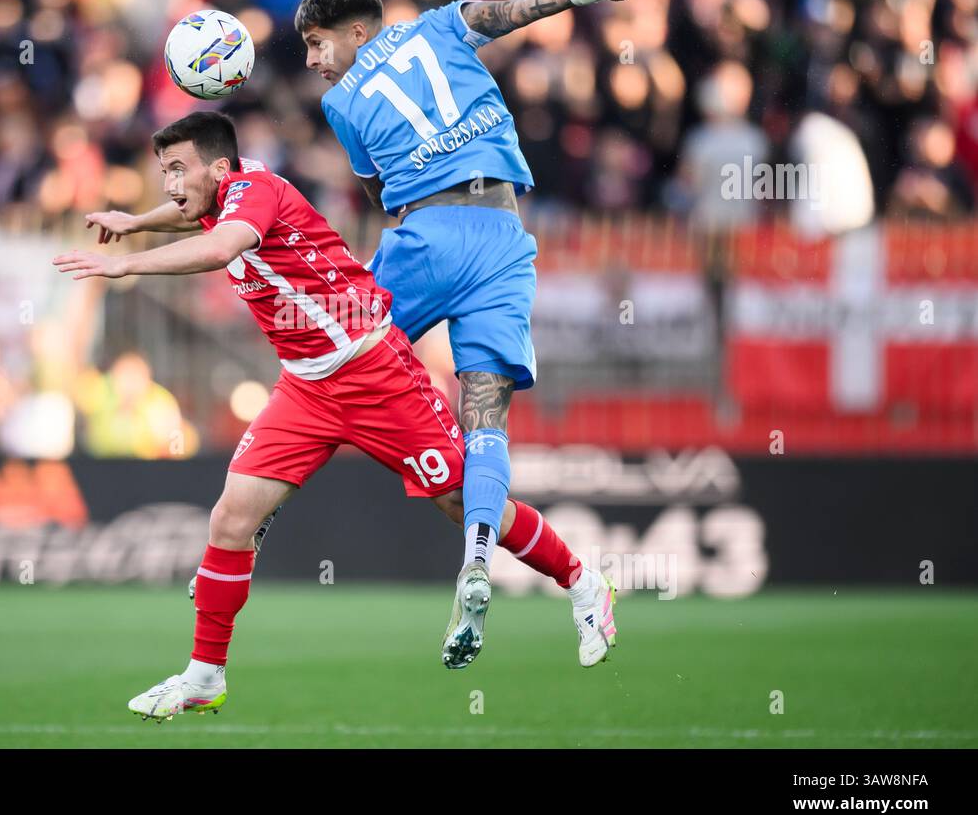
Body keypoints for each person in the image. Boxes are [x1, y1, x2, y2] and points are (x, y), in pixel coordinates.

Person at [55, 112, 611, 721]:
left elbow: (219, 246)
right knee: (230, 519)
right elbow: (195, 216)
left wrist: (126, 262)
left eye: (178, 169)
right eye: (164, 171)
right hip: (306, 388)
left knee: (461, 503)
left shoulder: (255, 194)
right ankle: (204, 674)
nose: (170, 184)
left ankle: (581, 581)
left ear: (218, 168)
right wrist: (136, 222)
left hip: (376, 372)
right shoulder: (223, 192)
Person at [295, 0, 637, 666]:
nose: (312, 60)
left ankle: (253, 518)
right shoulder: (443, 24)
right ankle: (478, 556)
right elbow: (512, 12)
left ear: (358, 32)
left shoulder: (340, 101)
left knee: (324, 368)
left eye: (316, 42)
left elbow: (378, 191)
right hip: (504, 240)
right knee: (484, 418)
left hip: (426, 241)